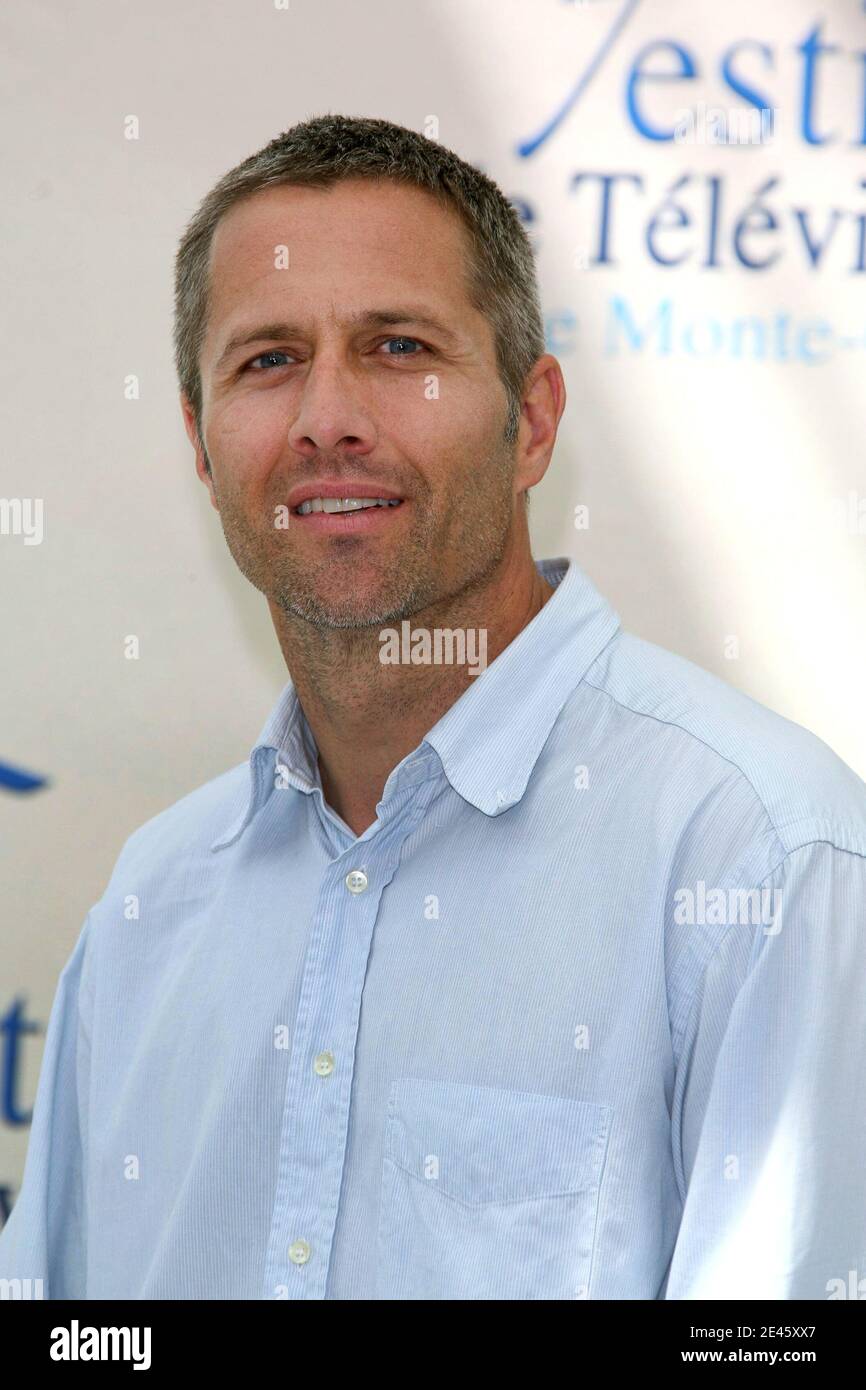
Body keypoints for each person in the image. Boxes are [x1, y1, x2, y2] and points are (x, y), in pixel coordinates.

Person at [2, 114, 865, 1301]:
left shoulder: (759, 858)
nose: (326, 418)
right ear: (201, 447)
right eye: (266, 360)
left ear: (534, 420)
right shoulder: (156, 901)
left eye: (397, 346)